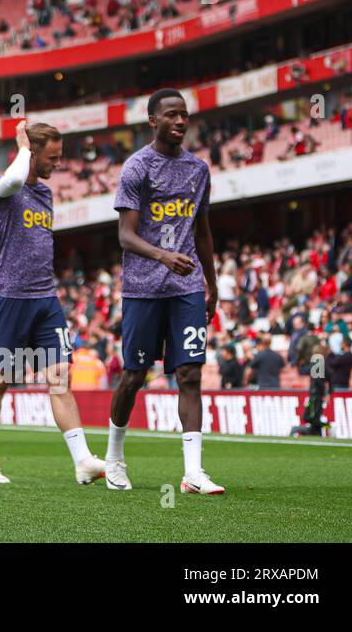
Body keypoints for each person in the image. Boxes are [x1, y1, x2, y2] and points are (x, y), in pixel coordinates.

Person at [0, 121, 107, 485]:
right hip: (10, 298)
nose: (58, 164)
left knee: (60, 378)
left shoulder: (47, 194)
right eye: (52, 157)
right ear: (31, 154)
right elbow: (15, 180)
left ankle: (82, 461)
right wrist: (22, 146)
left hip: (46, 298)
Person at [106, 89, 223, 495]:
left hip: (186, 286)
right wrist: (163, 256)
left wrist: (212, 281)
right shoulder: (137, 167)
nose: (179, 121)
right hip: (142, 287)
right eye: (171, 115)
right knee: (134, 376)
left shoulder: (198, 169)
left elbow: (202, 230)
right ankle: (114, 458)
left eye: (184, 115)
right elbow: (125, 235)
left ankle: (193, 472)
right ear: (153, 121)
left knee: (190, 373)